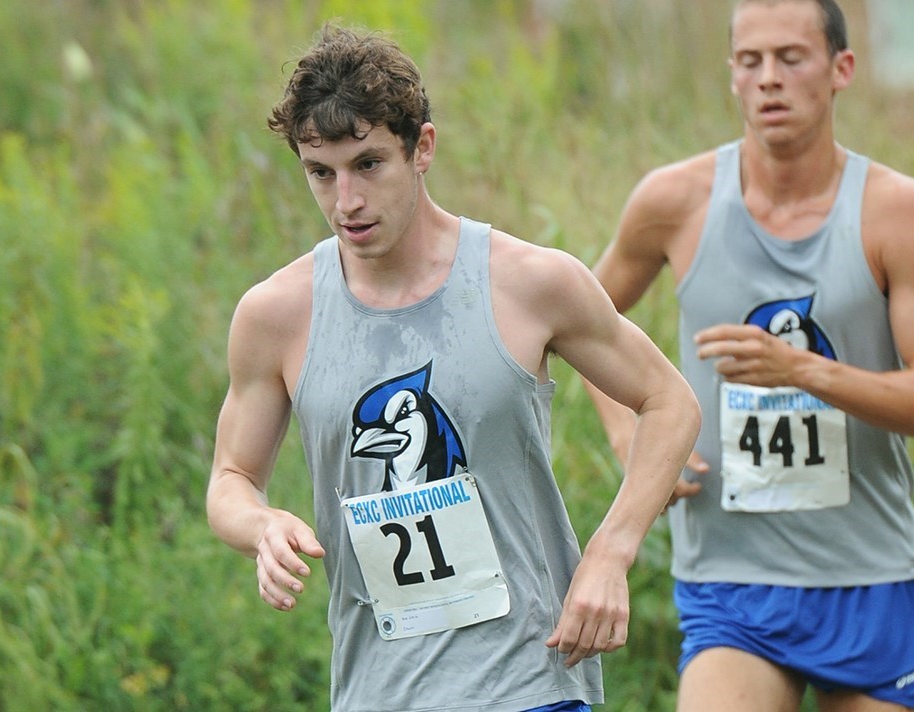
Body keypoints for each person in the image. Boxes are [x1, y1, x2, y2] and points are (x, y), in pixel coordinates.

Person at [206, 24, 700, 712]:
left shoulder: (529, 283)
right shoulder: (276, 314)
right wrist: (261, 527)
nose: (345, 200)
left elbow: (669, 401)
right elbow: (230, 479)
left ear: (422, 149)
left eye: (369, 164)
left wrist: (612, 551)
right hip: (379, 691)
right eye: (322, 172)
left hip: (530, 678)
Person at [582, 1, 914, 710]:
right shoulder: (674, 200)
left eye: (792, 57)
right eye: (750, 62)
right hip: (731, 576)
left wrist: (803, 370)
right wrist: (627, 427)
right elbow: (579, 325)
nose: (769, 79)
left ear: (842, 68)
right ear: (731, 76)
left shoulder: (896, 210)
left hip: (869, 574)